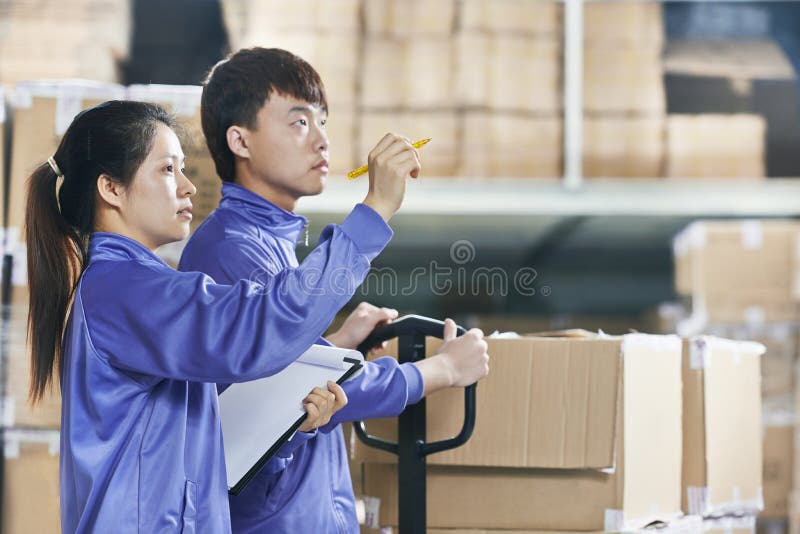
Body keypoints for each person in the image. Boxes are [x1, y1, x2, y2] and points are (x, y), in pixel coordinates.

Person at [25, 99, 409, 532]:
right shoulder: (124, 290)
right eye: (168, 169)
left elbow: (199, 448)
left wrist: (292, 418)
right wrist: (373, 213)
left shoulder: (130, 287)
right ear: (111, 188)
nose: (188, 187)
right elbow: (263, 323)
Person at [180, 47, 490, 533]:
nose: (323, 140)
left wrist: (338, 346)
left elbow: (271, 365)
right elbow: (292, 392)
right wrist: (441, 369)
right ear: (239, 140)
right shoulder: (230, 250)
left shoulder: (264, 244)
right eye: (299, 122)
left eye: (323, 121)